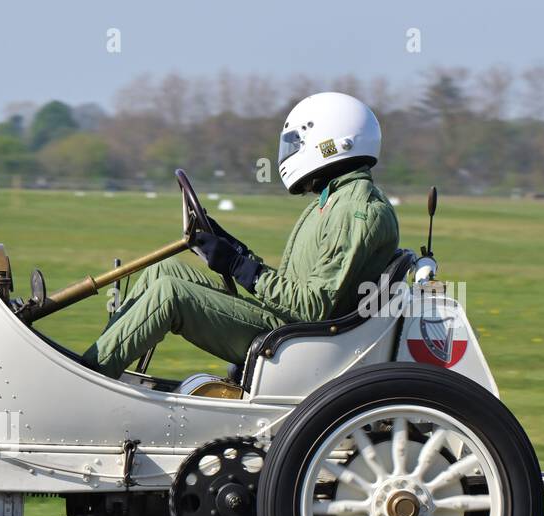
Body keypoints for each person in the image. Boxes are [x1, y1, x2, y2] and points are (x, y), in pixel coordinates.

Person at [82, 92, 399, 377]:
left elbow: (311, 307)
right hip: (292, 329)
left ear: (331, 142)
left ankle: (90, 376)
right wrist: (237, 251)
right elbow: (301, 290)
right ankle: (101, 360)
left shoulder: (354, 211)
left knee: (170, 293)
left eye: (297, 143)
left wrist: (238, 266)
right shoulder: (334, 200)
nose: (290, 153)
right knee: (161, 271)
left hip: (296, 342)